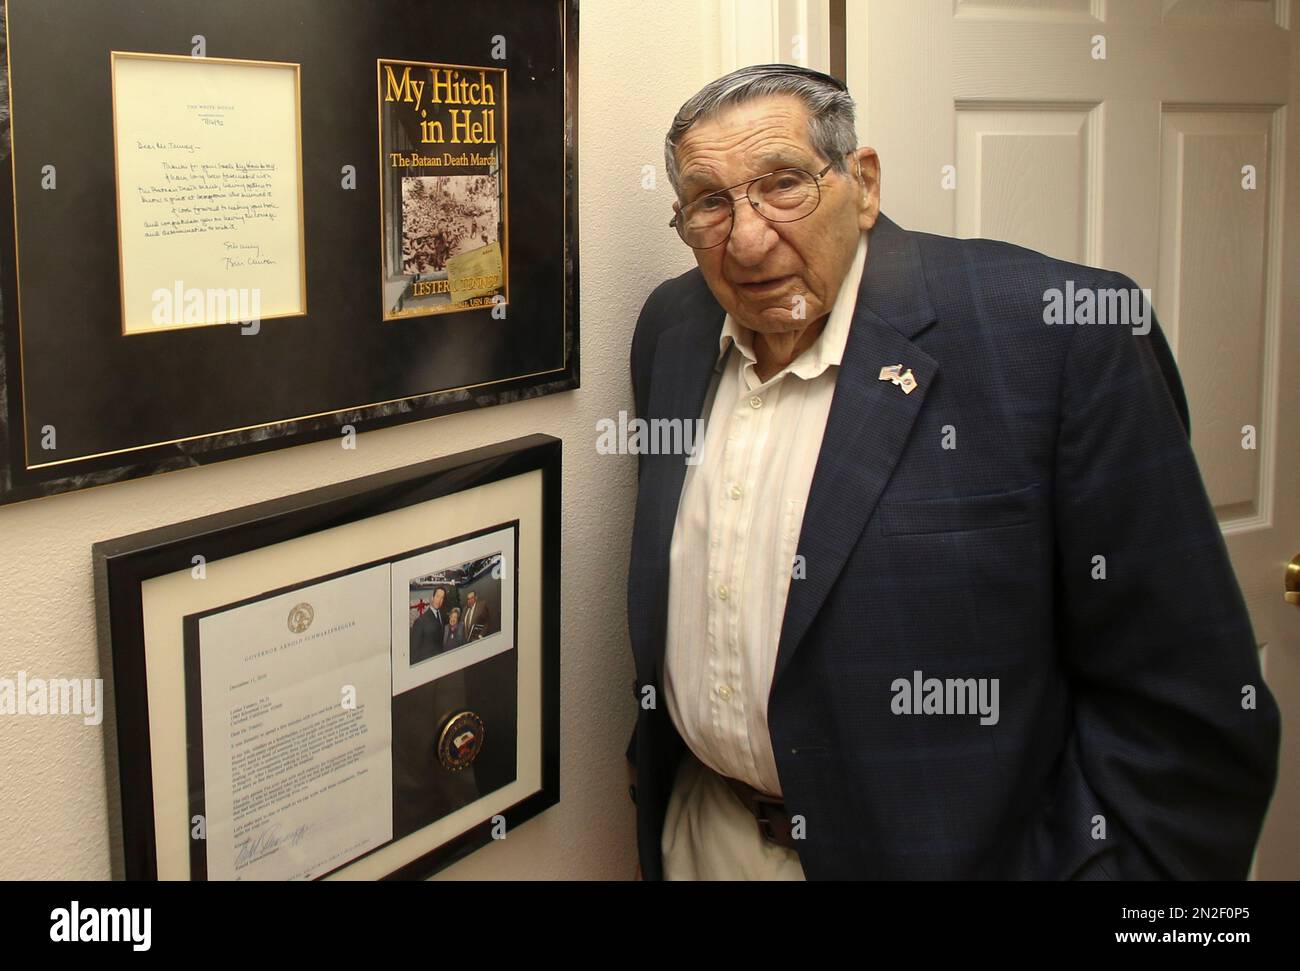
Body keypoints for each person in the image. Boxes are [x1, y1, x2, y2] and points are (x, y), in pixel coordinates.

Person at [624, 63, 1280, 880]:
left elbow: (1189, 720)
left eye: (784, 183)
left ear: (862, 185)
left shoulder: (1060, 337)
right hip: (703, 840)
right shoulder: (672, 331)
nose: (747, 239)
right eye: (710, 203)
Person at [410, 586, 447, 664]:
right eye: (437, 596)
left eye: (442, 598)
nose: (439, 600)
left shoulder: (442, 616)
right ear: (432, 597)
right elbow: (414, 653)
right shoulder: (420, 621)